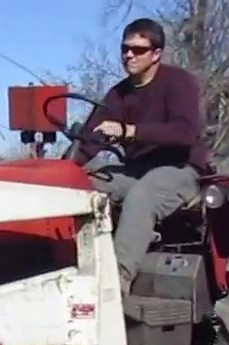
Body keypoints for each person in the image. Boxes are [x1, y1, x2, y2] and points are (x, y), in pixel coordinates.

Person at [68, 17, 213, 298]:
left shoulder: (178, 82)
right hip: (135, 168)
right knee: (87, 186)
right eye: (125, 49)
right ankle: (69, 265)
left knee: (142, 195)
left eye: (138, 50)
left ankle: (115, 284)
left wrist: (129, 131)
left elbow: (185, 133)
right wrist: (64, 171)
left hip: (180, 168)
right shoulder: (118, 94)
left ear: (156, 53)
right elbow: (90, 141)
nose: (129, 55)